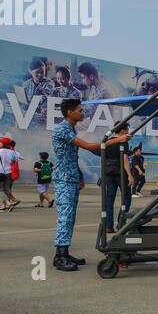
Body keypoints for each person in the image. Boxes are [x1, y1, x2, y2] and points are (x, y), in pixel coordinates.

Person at [51, 98, 129, 272]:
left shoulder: (69, 129)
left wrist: (79, 176)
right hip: (64, 180)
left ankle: (64, 252)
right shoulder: (62, 129)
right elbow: (87, 146)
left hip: (70, 178)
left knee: (69, 217)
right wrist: (116, 140)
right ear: (70, 112)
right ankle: (60, 255)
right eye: (79, 110)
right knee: (65, 217)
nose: (82, 112)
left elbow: (70, 158)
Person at [100, 121, 132, 231]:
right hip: (120, 173)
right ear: (122, 130)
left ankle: (109, 226)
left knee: (109, 200)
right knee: (127, 196)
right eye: (127, 129)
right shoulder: (123, 142)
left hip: (108, 173)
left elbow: (102, 160)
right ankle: (121, 222)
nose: (128, 132)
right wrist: (130, 175)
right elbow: (125, 160)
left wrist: (103, 174)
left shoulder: (107, 141)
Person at [0, 138, 21, 211]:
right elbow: (16, 160)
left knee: (0, 189)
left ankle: (8, 203)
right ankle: (6, 206)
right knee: (7, 189)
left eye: (0, 142)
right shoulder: (12, 152)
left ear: (3, 144)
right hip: (10, 172)